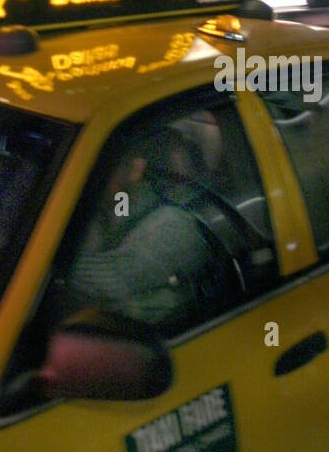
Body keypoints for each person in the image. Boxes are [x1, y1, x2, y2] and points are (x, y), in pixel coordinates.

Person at [63, 130, 227, 328]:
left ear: (136, 169)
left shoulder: (172, 226)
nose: (85, 178)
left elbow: (105, 285)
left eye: (100, 168)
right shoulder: (105, 208)